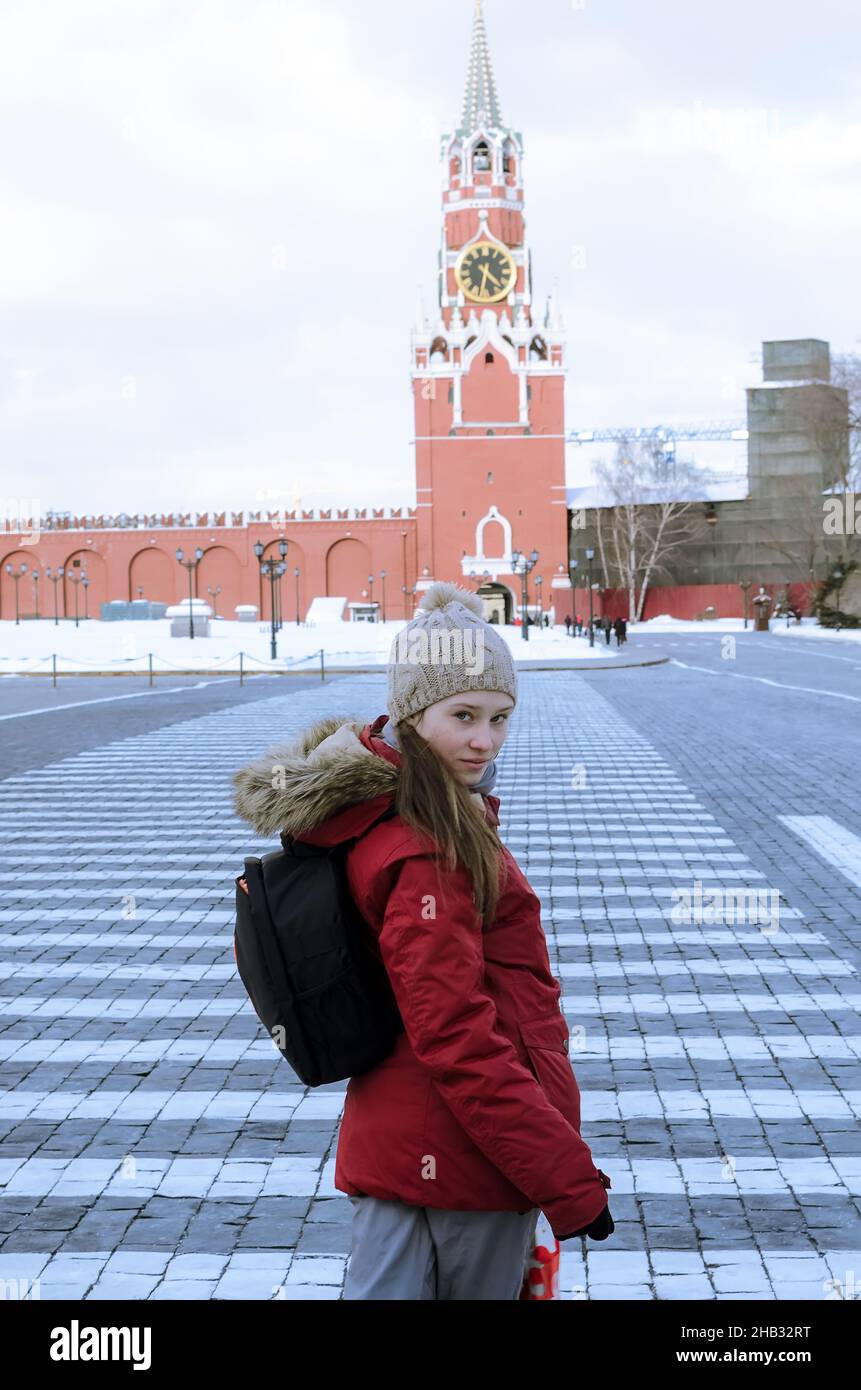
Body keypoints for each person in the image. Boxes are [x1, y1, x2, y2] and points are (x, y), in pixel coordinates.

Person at [233, 581, 613, 1301]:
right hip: (467, 1163)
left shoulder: (392, 815)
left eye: (500, 717)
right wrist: (565, 1178)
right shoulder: (425, 848)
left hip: (402, 1139)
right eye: (463, 715)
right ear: (411, 716)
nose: (484, 739)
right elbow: (456, 1037)